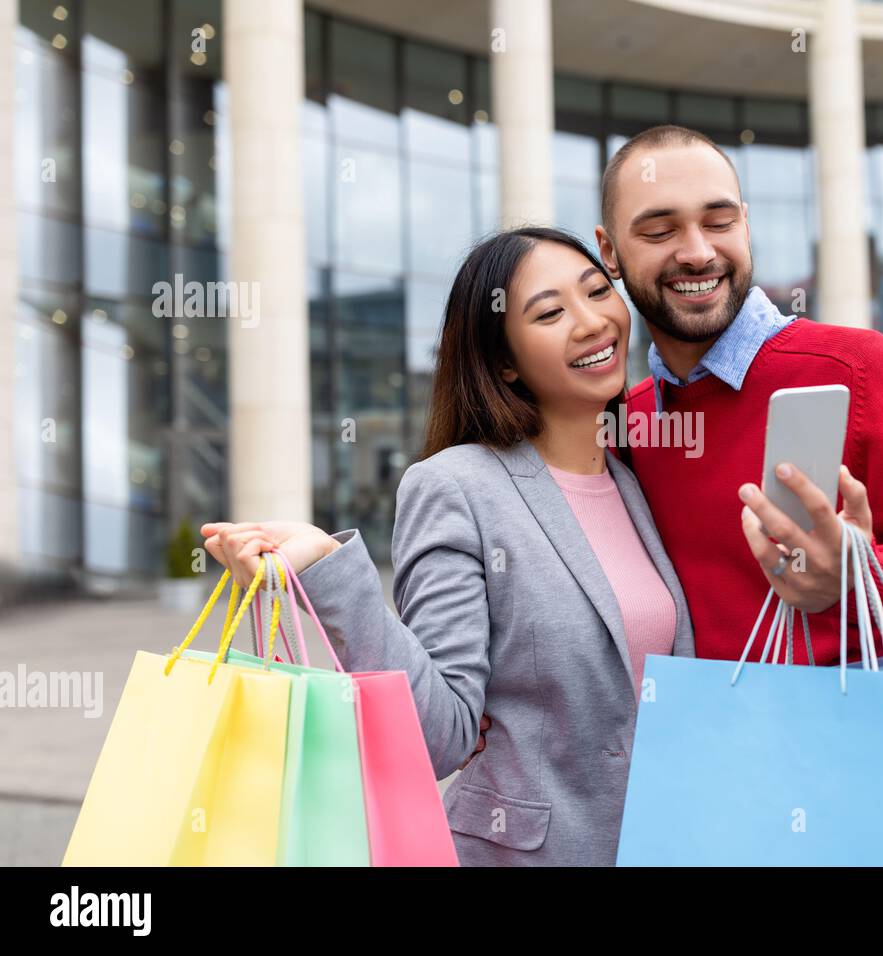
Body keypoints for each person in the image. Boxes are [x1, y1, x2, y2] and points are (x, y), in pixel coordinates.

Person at [201, 228, 694, 866]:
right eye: (549, 312)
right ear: (505, 361)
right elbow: (439, 736)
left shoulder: (632, 481)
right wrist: (329, 569)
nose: (591, 321)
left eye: (599, 292)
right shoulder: (456, 486)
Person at [593, 124, 883, 661]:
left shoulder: (859, 368)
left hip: (845, 738)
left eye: (719, 221)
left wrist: (861, 581)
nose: (697, 253)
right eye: (659, 231)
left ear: (745, 225)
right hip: (689, 742)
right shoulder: (627, 424)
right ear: (609, 251)